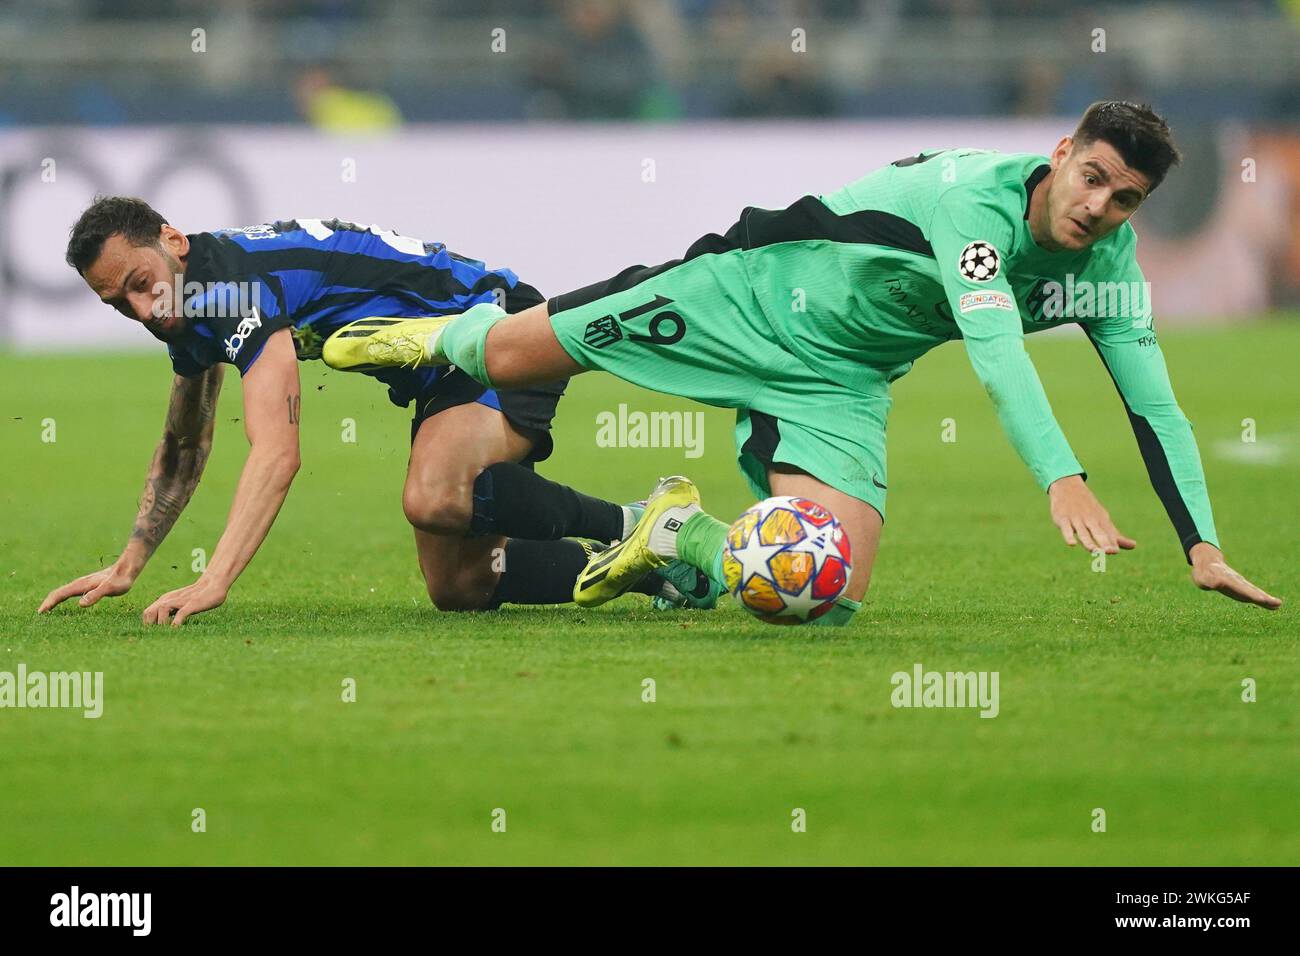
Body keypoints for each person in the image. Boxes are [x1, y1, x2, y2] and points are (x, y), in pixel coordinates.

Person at [321, 102, 1281, 626]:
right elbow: (995, 353)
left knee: (832, 594)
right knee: (511, 347)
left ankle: (678, 538)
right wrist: (1061, 479)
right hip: (750, 292)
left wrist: (1202, 546)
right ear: (1062, 152)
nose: (1100, 207)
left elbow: (1153, 404)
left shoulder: (1107, 265)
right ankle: (423, 336)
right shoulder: (975, 209)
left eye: (1125, 198)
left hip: (842, 380)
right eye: (1093, 177)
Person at [39, 202, 714, 626]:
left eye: (139, 282)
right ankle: (661, 564)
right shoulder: (186, 305)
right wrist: (129, 564)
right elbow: (184, 448)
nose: (141, 307)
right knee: (462, 586)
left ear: (173, 239)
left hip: (495, 329)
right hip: (437, 371)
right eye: (118, 303)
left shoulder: (233, 289)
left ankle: (637, 524)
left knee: (433, 496)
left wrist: (215, 579)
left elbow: (278, 450)